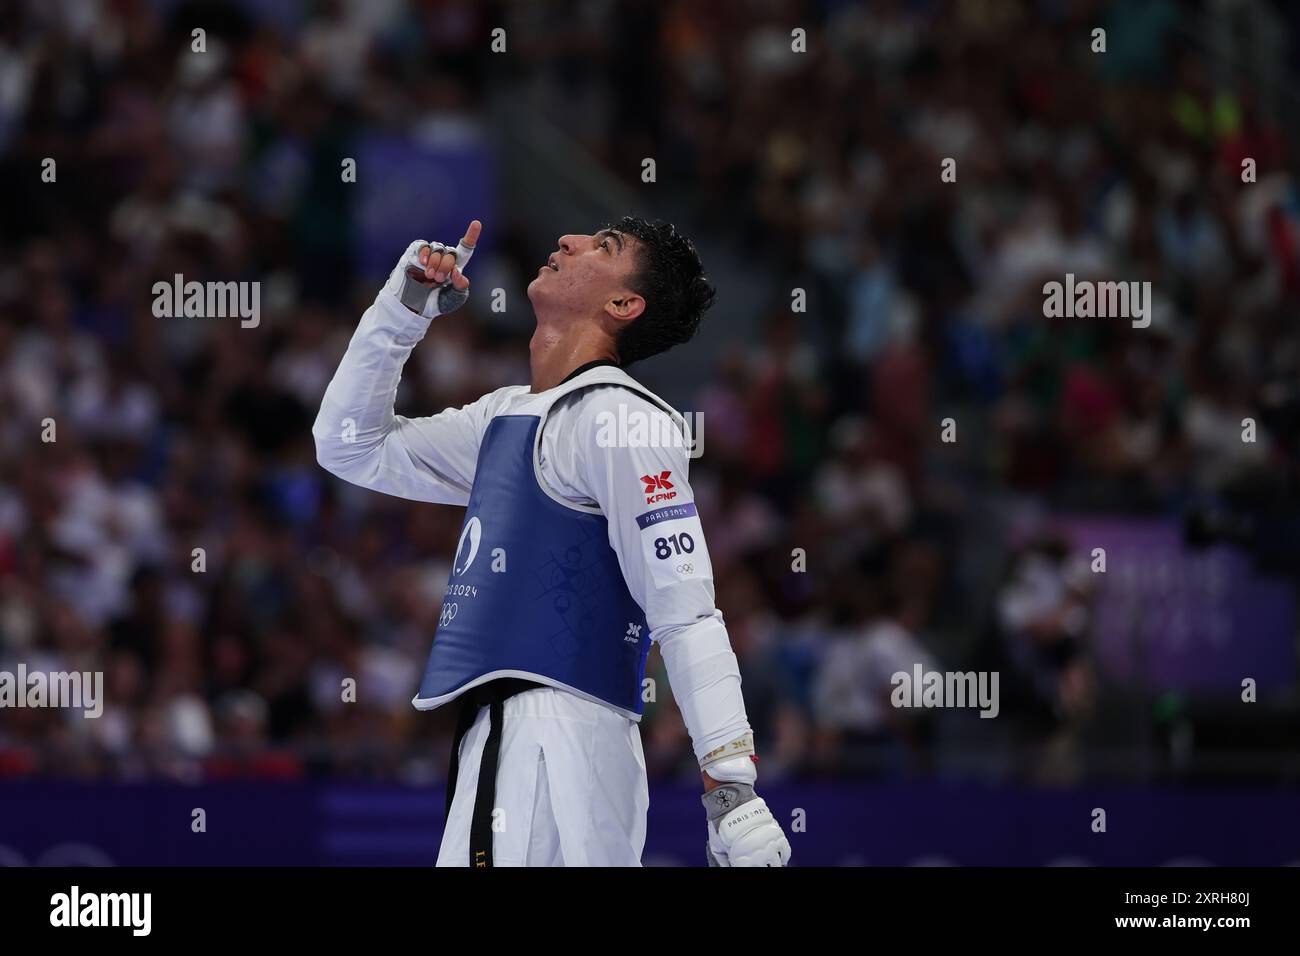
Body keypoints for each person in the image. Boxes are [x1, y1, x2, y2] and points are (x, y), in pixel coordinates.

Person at [313, 217, 791, 867]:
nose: (570, 242)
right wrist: (403, 311)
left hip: (563, 735)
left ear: (624, 305)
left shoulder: (620, 419)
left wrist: (730, 782)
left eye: (604, 248)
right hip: (493, 730)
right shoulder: (505, 415)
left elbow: (685, 609)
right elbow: (349, 446)